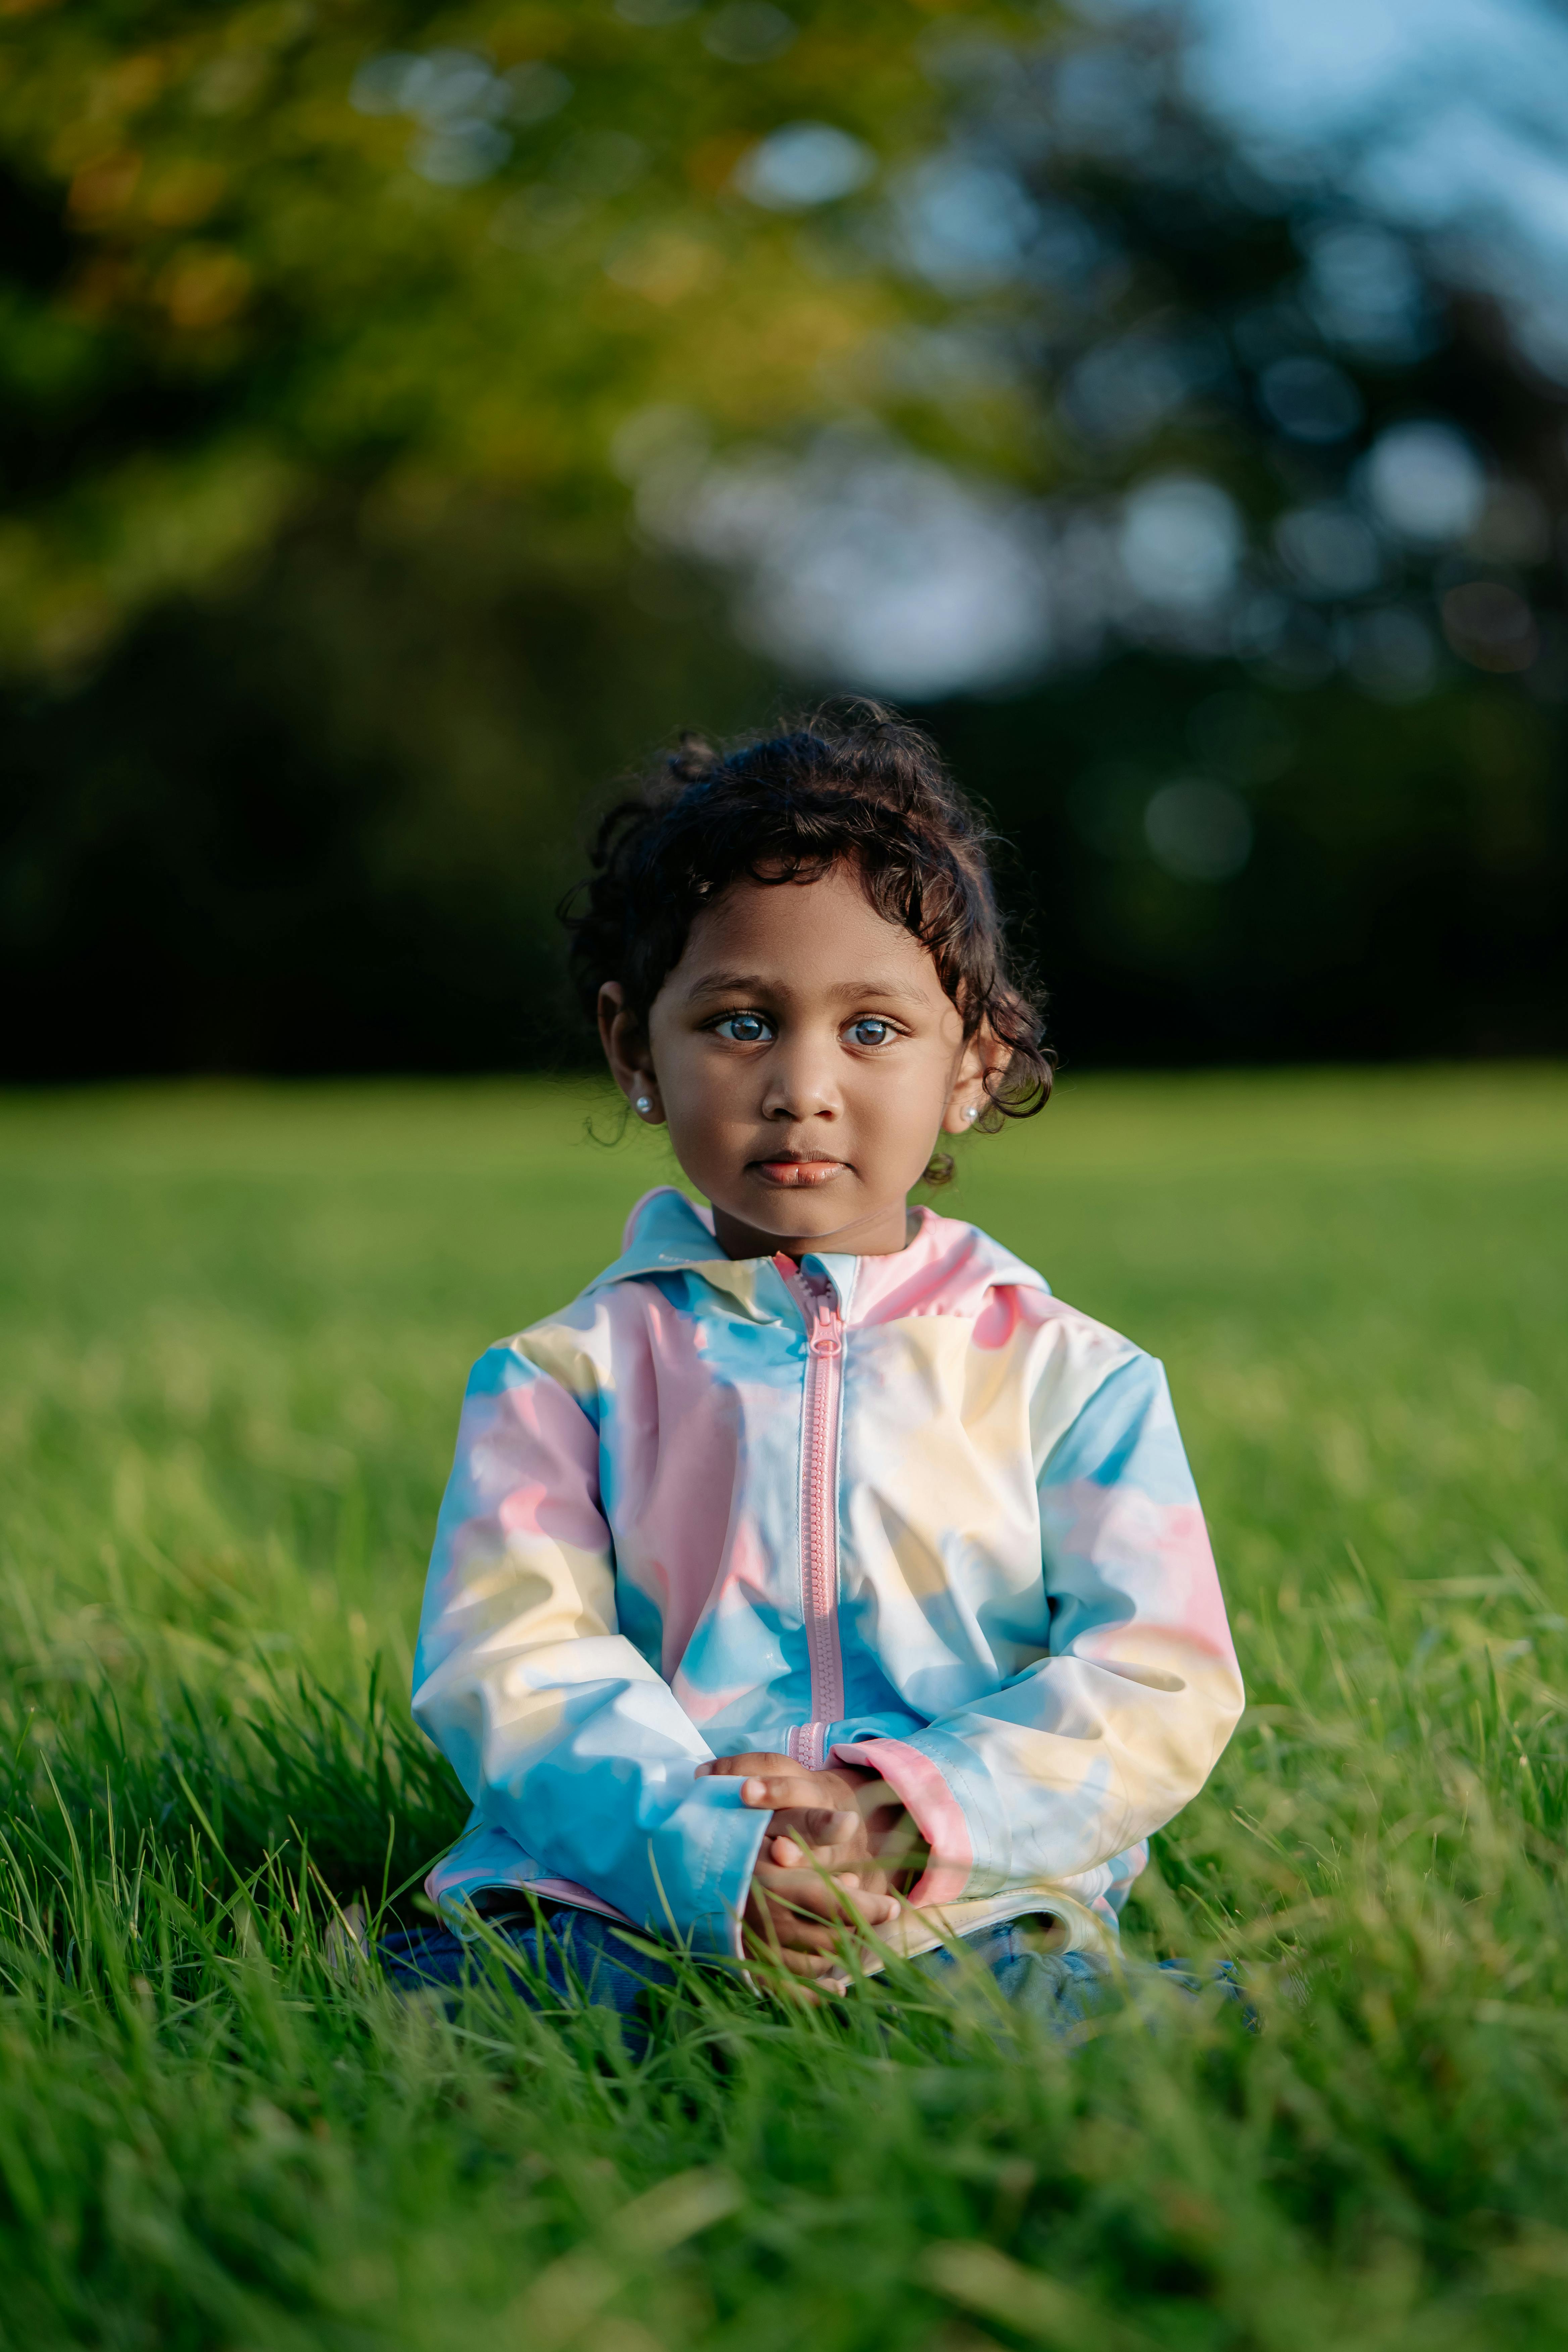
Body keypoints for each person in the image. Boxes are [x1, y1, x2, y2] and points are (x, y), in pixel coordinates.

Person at [381, 708, 1245, 2034]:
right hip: (627, 1892)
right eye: (738, 1022)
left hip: (955, 1901)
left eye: (872, 1031)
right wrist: (708, 1851)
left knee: (1042, 2033)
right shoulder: (563, 1378)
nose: (800, 1084)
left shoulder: (1076, 1379)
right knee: (485, 2014)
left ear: (975, 1061)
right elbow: (514, 1660)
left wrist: (908, 1817)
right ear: (634, 1050)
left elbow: (1153, 1677)